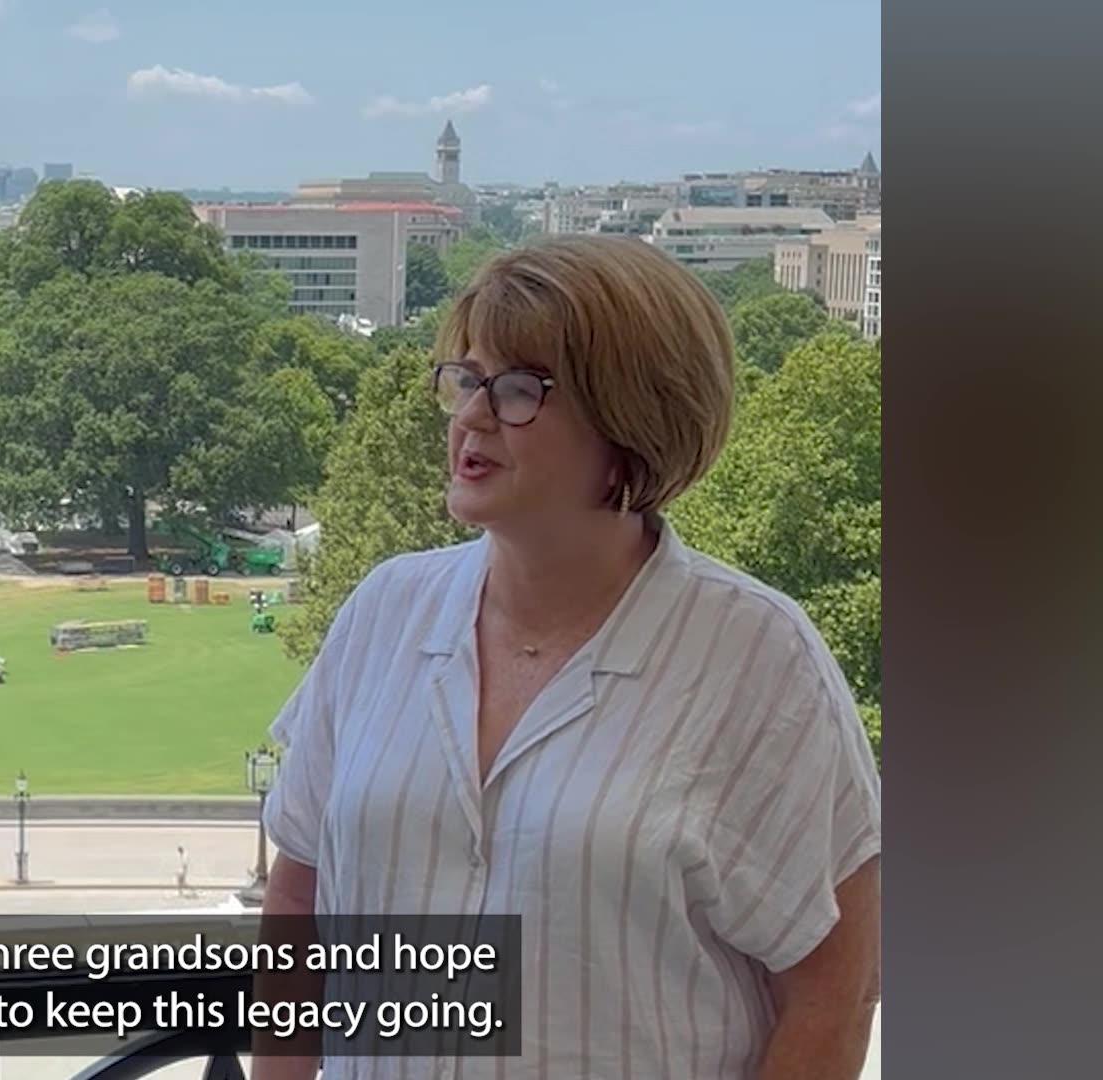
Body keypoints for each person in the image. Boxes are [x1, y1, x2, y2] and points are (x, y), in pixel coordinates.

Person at [251, 235, 881, 1079]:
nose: (473, 414)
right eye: (467, 378)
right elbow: (299, 900)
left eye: (518, 389)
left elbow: (835, 986)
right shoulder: (384, 612)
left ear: (631, 419)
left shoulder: (758, 659)